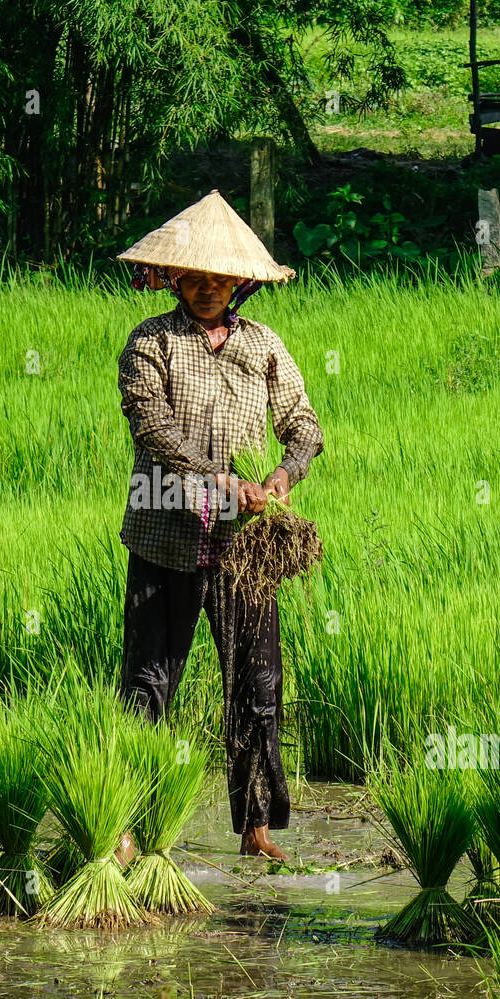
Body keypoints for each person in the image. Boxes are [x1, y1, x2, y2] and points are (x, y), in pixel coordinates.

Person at [114, 189, 324, 860]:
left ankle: (256, 828)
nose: (207, 289)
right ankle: (123, 824)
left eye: (219, 279)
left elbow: (304, 426)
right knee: (149, 684)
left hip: (243, 551)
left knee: (257, 687)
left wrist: (280, 477)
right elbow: (153, 425)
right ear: (173, 277)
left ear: (240, 283)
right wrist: (217, 478)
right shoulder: (152, 342)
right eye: (195, 277)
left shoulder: (263, 345)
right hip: (164, 537)